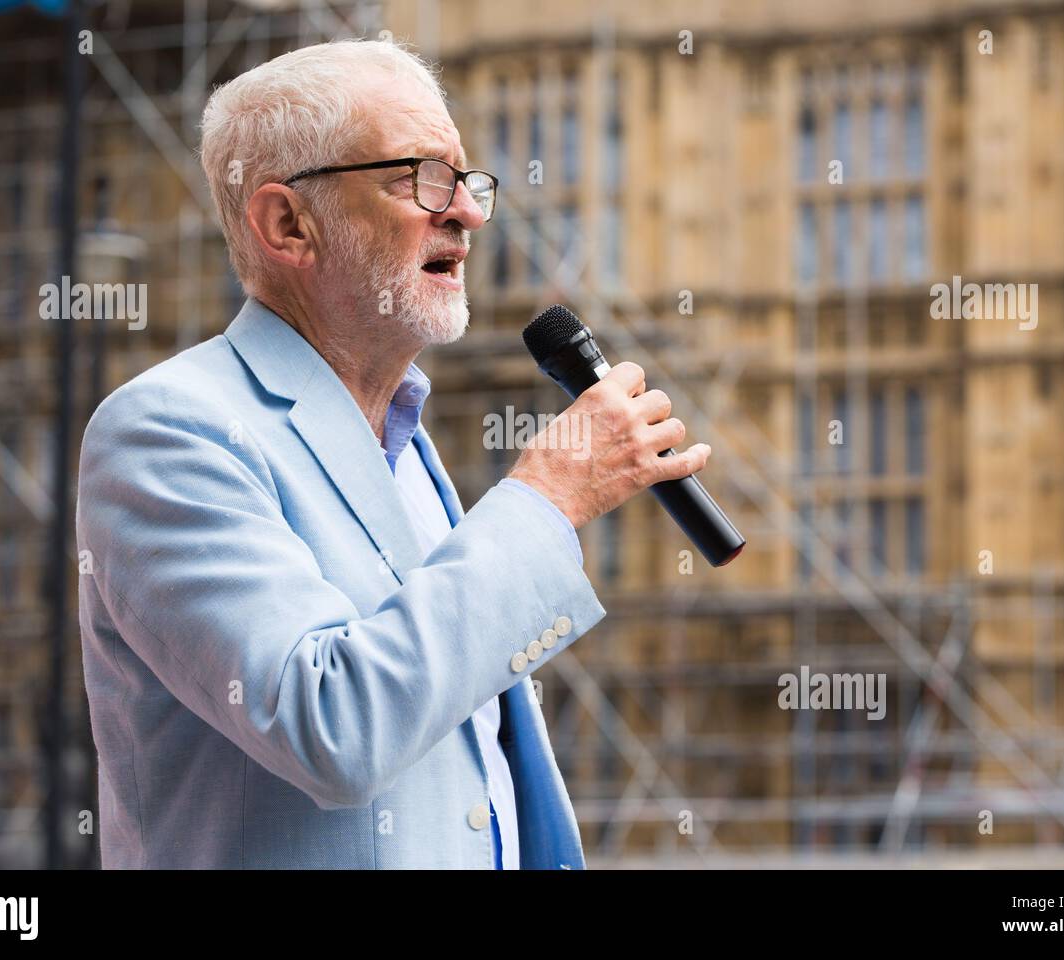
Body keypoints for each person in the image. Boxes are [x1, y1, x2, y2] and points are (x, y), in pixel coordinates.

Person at [76, 38, 711, 868]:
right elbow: (329, 727)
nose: (469, 212)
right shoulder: (167, 431)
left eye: (468, 179)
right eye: (422, 177)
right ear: (288, 225)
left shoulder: (408, 446)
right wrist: (549, 496)